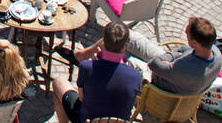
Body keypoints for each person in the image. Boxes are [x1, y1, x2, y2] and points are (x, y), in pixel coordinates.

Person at [59, 16, 221, 97]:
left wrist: (171, 56)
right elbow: (182, 50)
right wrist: (173, 55)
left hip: (158, 84)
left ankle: (93, 71)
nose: (184, 34)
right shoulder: (216, 52)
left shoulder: (186, 69)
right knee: (127, 34)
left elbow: (155, 65)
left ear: (195, 42)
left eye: (187, 34)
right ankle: (83, 56)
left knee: (121, 54)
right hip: (171, 63)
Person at [51, 21, 142, 123]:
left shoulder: (88, 67)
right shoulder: (135, 76)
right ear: (124, 47)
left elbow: (81, 99)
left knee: (59, 83)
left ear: (103, 42)